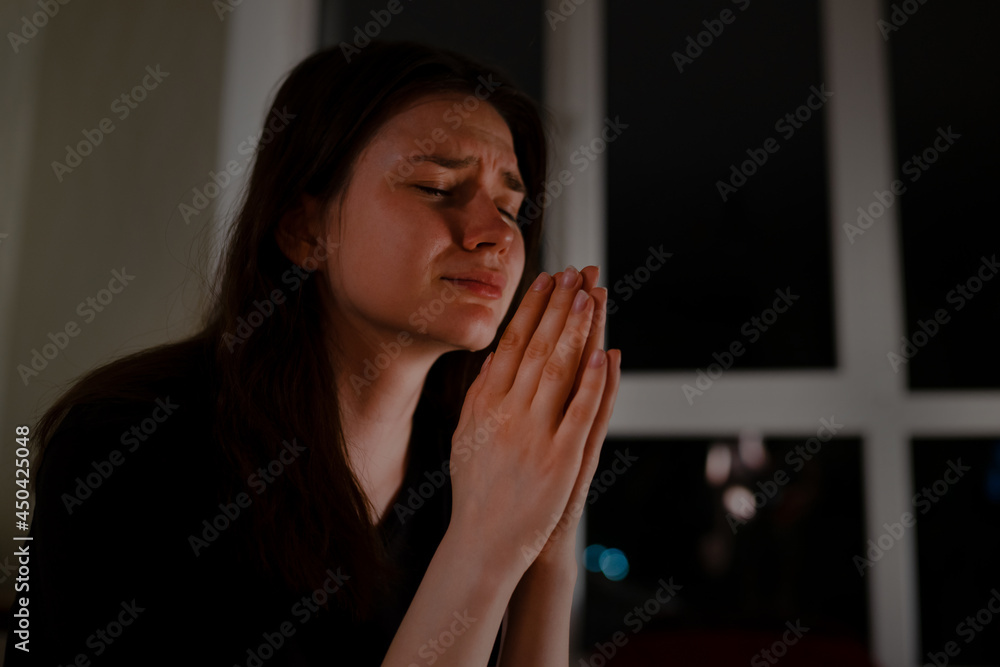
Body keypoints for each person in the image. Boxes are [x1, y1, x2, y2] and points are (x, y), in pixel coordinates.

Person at [5, 41, 621, 666]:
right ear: (305, 231)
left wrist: (549, 539)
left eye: (510, 207)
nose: (493, 234)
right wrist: (486, 541)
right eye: (436, 187)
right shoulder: (122, 442)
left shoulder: (468, 459)